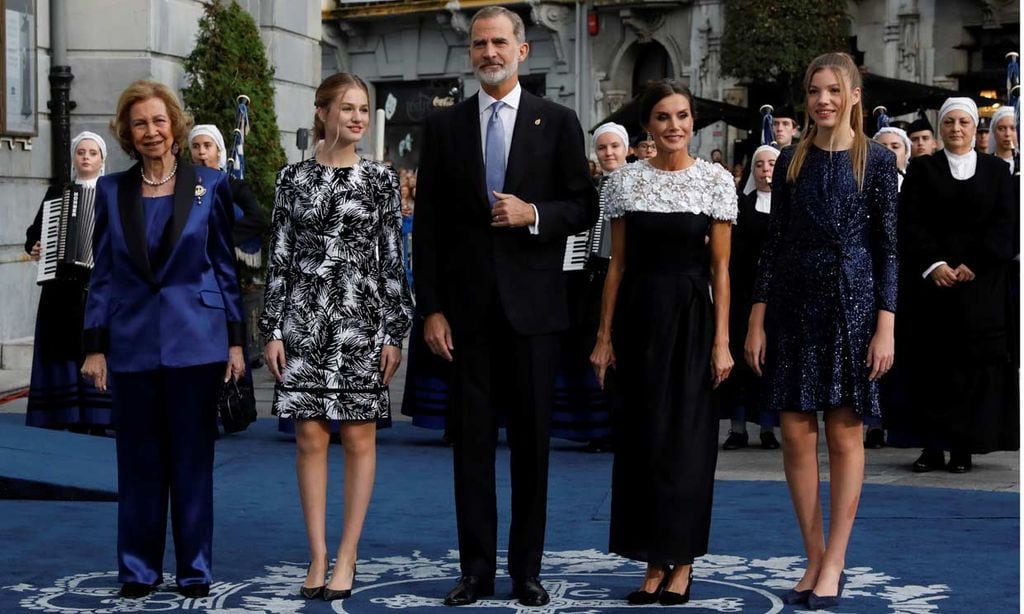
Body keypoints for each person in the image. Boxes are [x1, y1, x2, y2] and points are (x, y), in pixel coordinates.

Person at [413, 6, 597, 607]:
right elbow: (428, 228)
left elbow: (584, 206)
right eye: (478, 43)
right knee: (470, 449)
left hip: (535, 314)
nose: (488, 52)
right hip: (465, 318)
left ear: (523, 50)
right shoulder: (444, 127)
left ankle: (526, 572)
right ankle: (475, 571)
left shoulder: (558, 121)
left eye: (498, 42)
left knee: (532, 447)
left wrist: (532, 214)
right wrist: (431, 309)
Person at [80, 80, 246, 599]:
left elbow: (224, 267)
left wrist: (236, 342)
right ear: (127, 133)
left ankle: (195, 570)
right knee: (138, 462)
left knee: (192, 462)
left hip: (197, 340)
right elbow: (103, 273)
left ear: (174, 124)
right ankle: (138, 571)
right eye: (139, 123)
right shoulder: (111, 191)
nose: (151, 131)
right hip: (131, 342)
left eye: (158, 120)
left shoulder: (210, 184)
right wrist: (94, 345)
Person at [744, 53, 897, 610]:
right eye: (814, 90)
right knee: (794, 431)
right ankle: (812, 556)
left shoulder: (877, 161)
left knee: (844, 433)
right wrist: (757, 318)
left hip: (853, 304)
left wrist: (886, 324)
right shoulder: (791, 159)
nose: (823, 100)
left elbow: (888, 248)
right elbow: (773, 244)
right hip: (793, 304)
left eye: (834, 89)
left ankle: (835, 559)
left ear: (854, 95)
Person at [259, 72, 413, 602]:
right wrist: (271, 327)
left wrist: (394, 330)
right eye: (347, 108)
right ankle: (318, 553)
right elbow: (279, 258)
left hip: (361, 322)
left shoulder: (380, 180)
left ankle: (347, 554)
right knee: (309, 437)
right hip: (304, 320)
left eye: (363, 109)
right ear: (322, 112)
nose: (357, 118)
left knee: (358, 436)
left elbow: (392, 259)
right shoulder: (292, 179)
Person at [590, 81, 735, 606]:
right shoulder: (625, 182)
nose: (674, 126)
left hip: (693, 321)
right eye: (663, 117)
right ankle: (653, 561)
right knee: (642, 442)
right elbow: (617, 266)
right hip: (637, 320)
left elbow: (721, 269)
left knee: (688, 445)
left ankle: (684, 561)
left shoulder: (715, 181)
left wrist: (722, 341)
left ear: (693, 122)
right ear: (647, 126)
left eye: (682, 116)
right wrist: (604, 337)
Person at [900, 97, 1017, 474]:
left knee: (971, 370)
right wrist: (934, 264)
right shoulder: (922, 169)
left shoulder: (997, 171)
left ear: (974, 128)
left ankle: (962, 448)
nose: (956, 129)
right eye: (949, 122)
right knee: (931, 368)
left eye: (963, 123)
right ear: (941, 128)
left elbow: (1006, 224)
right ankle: (931, 447)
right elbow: (911, 222)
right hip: (933, 288)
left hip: (980, 289)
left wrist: (975, 263)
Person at [24, 131, 113, 433]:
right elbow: (34, 232)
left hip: (97, 284)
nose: (86, 157)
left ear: (102, 160)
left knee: (95, 344)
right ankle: (63, 412)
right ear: (74, 158)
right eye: (81, 152)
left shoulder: (111, 193)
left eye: (92, 153)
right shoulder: (56, 193)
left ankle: (98, 416)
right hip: (61, 286)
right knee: (59, 345)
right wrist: (35, 246)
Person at [551, 122, 628, 450]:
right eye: (602, 148)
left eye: (614, 146)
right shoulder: (590, 188)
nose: (608, 153)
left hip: (626, 279)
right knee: (587, 347)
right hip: (592, 278)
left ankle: (621, 425)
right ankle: (596, 425)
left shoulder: (636, 183)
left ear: (626, 149)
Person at [719, 144, 780, 451]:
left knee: (771, 362)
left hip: (779, 298)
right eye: (760, 165)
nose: (765, 169)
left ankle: (768, 428)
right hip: (745, 294)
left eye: (772, 164)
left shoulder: (791, 204)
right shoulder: (743, 206)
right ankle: (738, 428)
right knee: (743, 362)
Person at [188, 124, 268, 267]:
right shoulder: (184, 185)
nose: (201, 152)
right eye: (195, 146)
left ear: (219, 151)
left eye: (207, 146)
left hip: (223, 262)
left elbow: (256, 218)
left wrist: (221, 239)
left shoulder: (233, 185)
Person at [873, 126, 911, 191]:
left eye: (895, 147)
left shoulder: (916, 183)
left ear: (906, 152)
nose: (888, 151)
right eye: (882, 147)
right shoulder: (864, 182)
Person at [988, 106, 1018, 173]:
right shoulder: (984, 164)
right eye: (1001, 128)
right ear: (994, 132)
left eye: (1013, 128)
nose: (1007, 134)